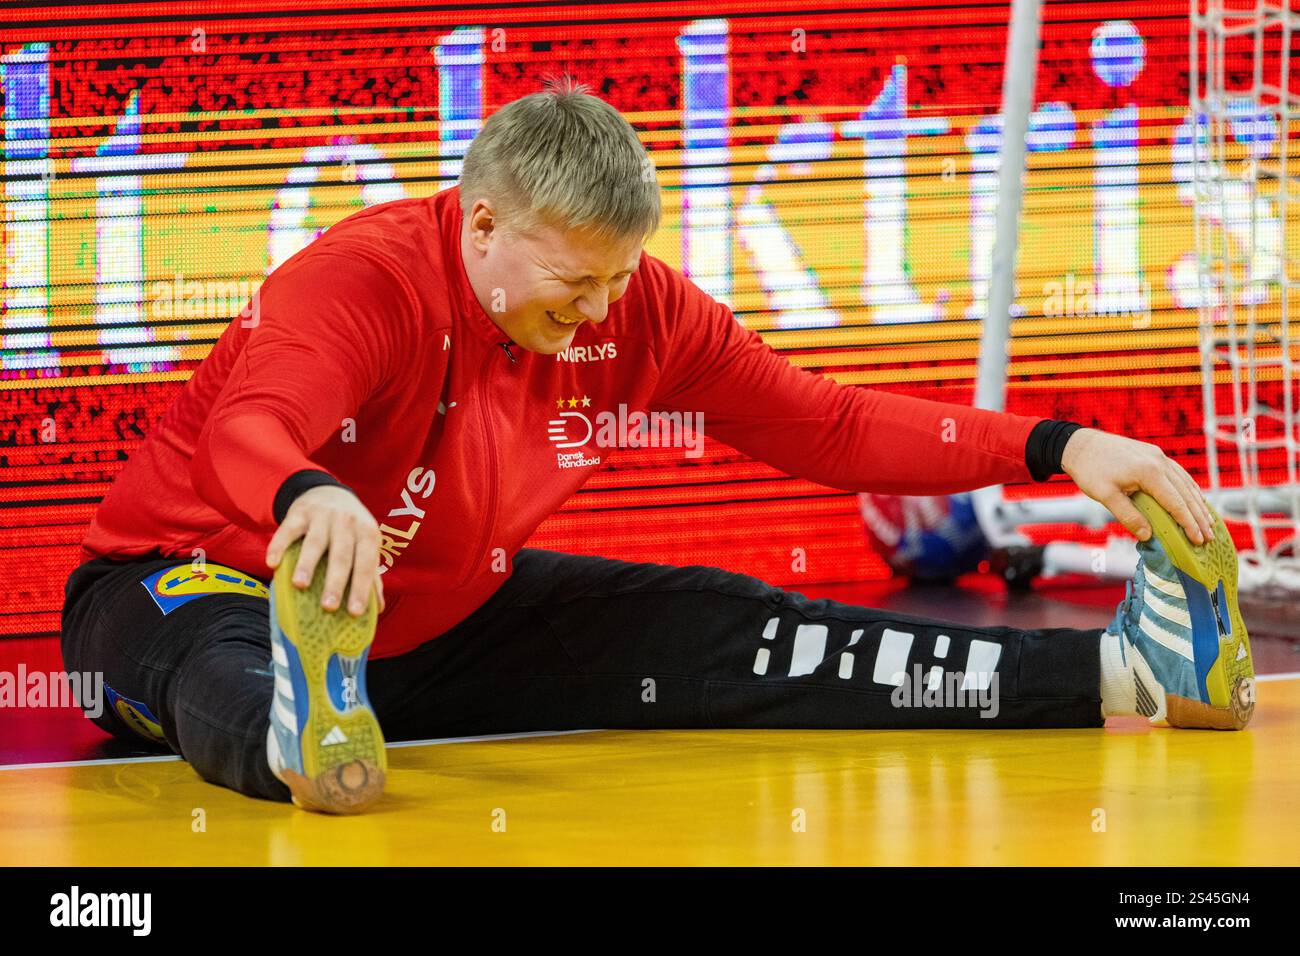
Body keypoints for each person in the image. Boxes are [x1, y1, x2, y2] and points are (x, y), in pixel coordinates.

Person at [61, 78, 1255, 815]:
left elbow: (829, 424)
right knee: (223, 660)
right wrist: (308, 489)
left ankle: (1125, 670)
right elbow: (244, 431)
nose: (600, 306)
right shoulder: (362, 281)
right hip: (193, 579)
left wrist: (1056, 442)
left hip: (442, 619)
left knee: (733, 625)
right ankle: (299, 743)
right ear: (482, 223)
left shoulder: (641, 309)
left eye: (621, 273)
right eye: (576, 278)